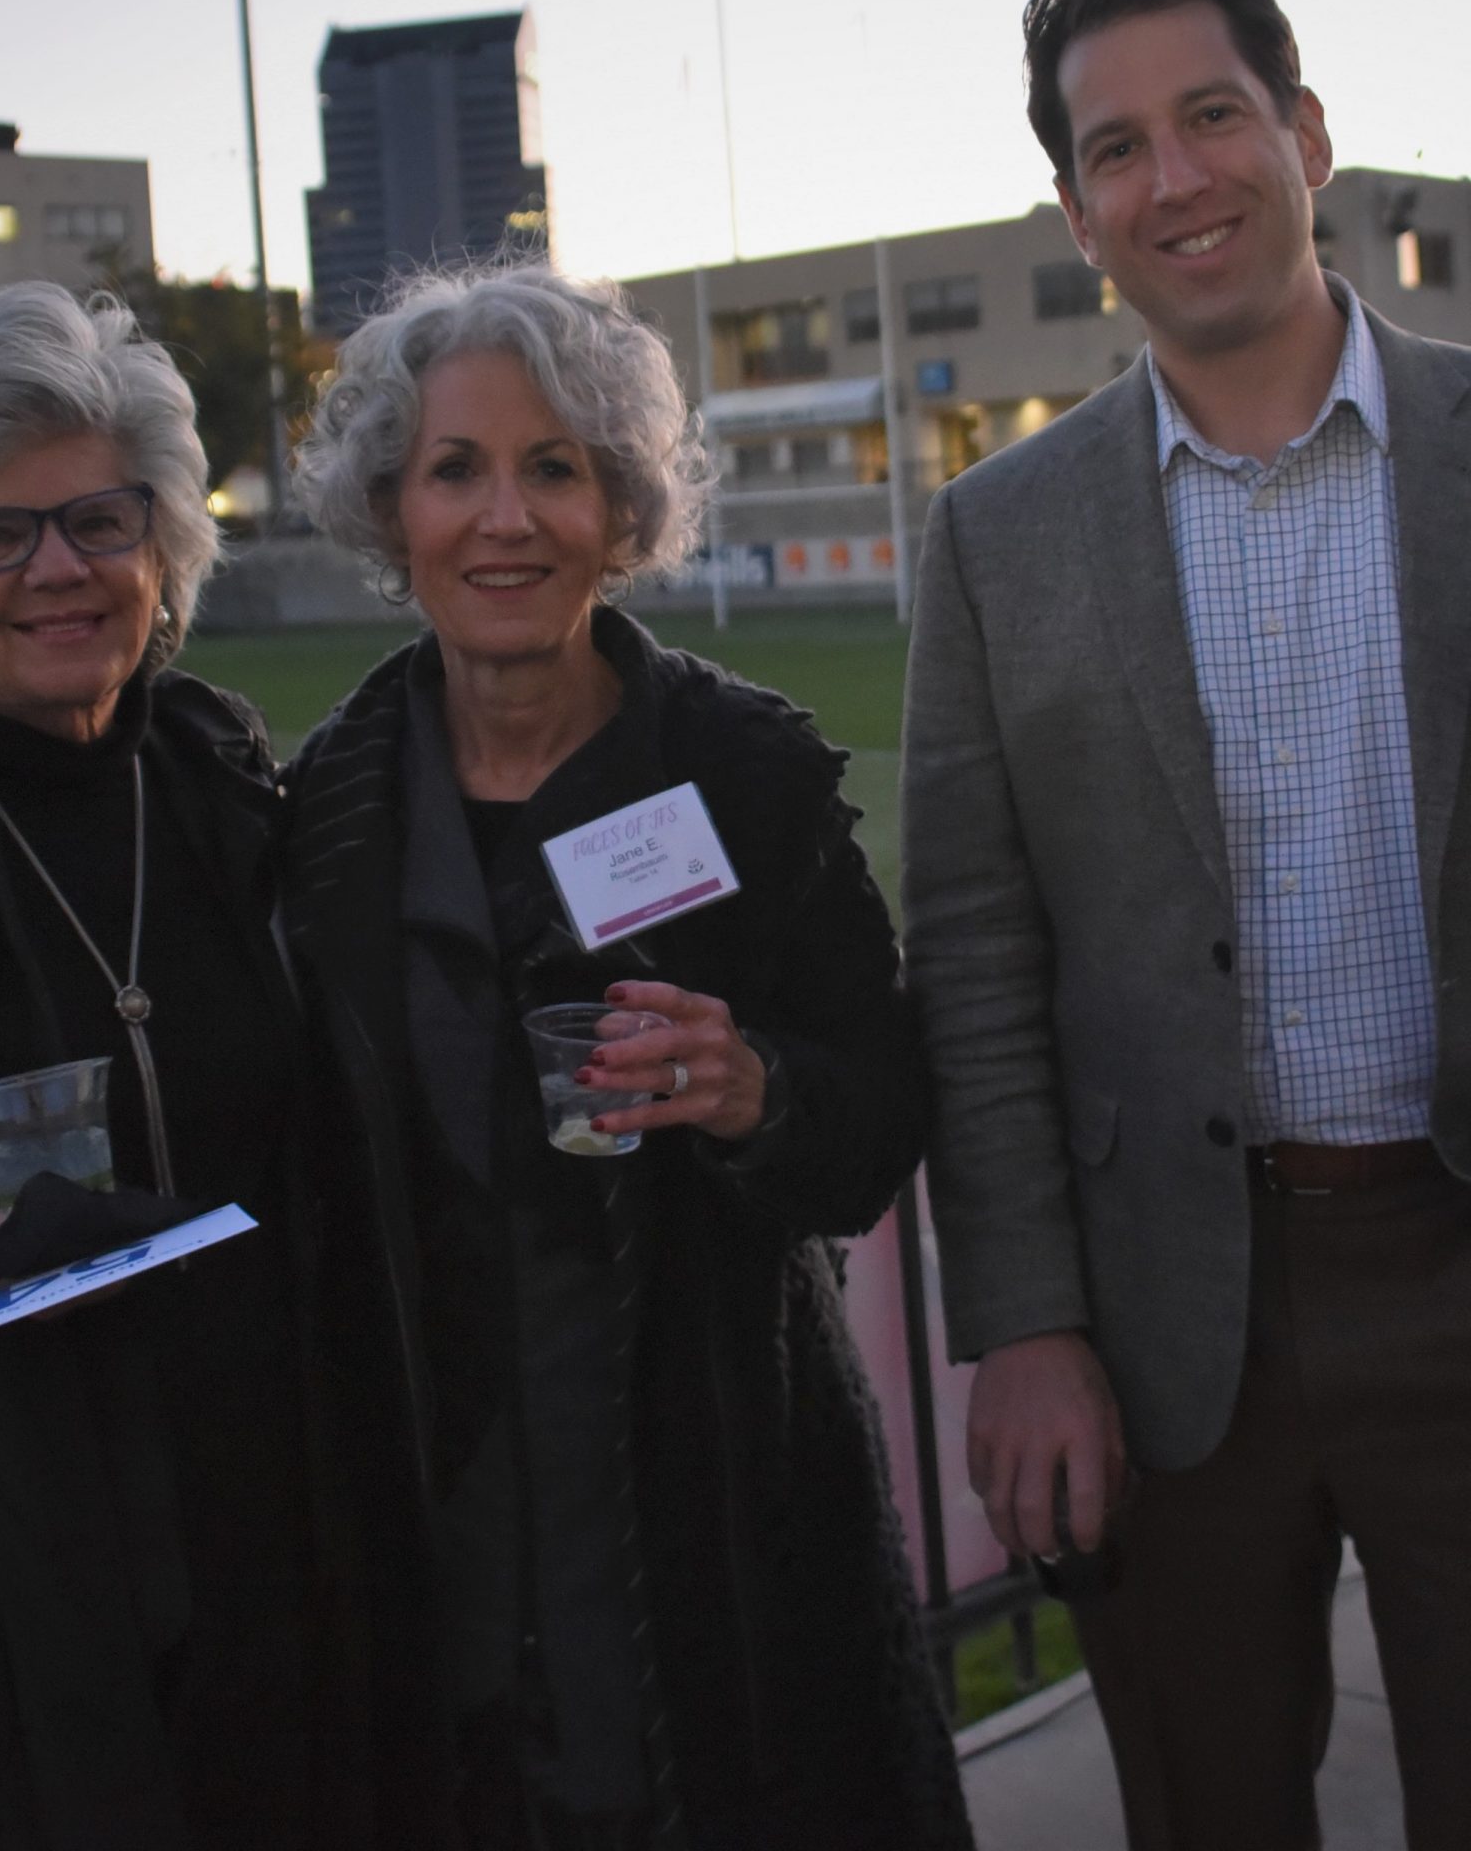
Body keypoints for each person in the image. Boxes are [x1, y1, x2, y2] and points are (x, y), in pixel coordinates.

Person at [901, 0, 1471, 1851]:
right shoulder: (999, 534)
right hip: (1162, 1322)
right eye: (1117, 149)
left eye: (1212, 116)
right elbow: (978, 949)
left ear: (1307, 132)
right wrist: (1025, 1321)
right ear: (1078, 214)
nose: (1175, 178)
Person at [283, 264, 971, 1851]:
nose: (505, 519)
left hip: (726, 1514)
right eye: (455, 470)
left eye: (555, 467)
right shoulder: (325, 816)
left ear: (622, 508)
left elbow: (876, 1121)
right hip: (438, 1541)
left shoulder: (745, 772)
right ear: (392, 510)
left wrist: (759, 1093)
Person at [0, 283, 332, 1847]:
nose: (56, 568)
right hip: (35, 1591)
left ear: (165, 544)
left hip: (274, 1539)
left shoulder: (221, 779)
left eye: (96, 520)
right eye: (0, 534)